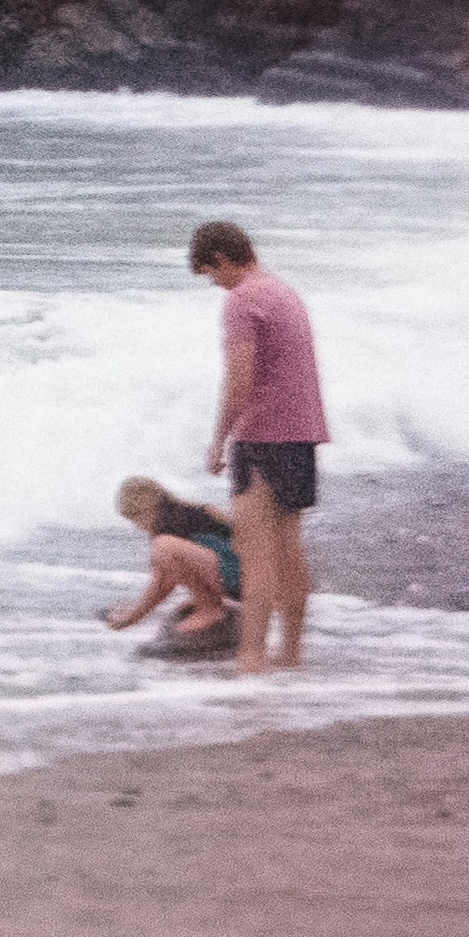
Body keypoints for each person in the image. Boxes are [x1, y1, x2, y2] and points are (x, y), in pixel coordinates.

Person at [188, 220, 326, 667]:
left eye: (212, 273)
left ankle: (251, 656)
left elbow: (239, 378)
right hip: (301, 431)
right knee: (289, 547)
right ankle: (291, 652)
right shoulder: (283, 291)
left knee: (255, 551)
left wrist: (218, 440)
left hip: (263, 434)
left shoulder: (241, 300)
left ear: (223, 260)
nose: (215, 283)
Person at [99, 474, 242, 654]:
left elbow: (162, 585)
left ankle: (210, 608)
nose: (137, 527)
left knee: (164, 547)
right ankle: (209, 600)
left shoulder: (169, 524)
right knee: (167, 551)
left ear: (143, 511)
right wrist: (133, 611)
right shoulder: (183, 512)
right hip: (241, 577)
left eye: (134, 520)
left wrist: (131, 618)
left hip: (241, 579)